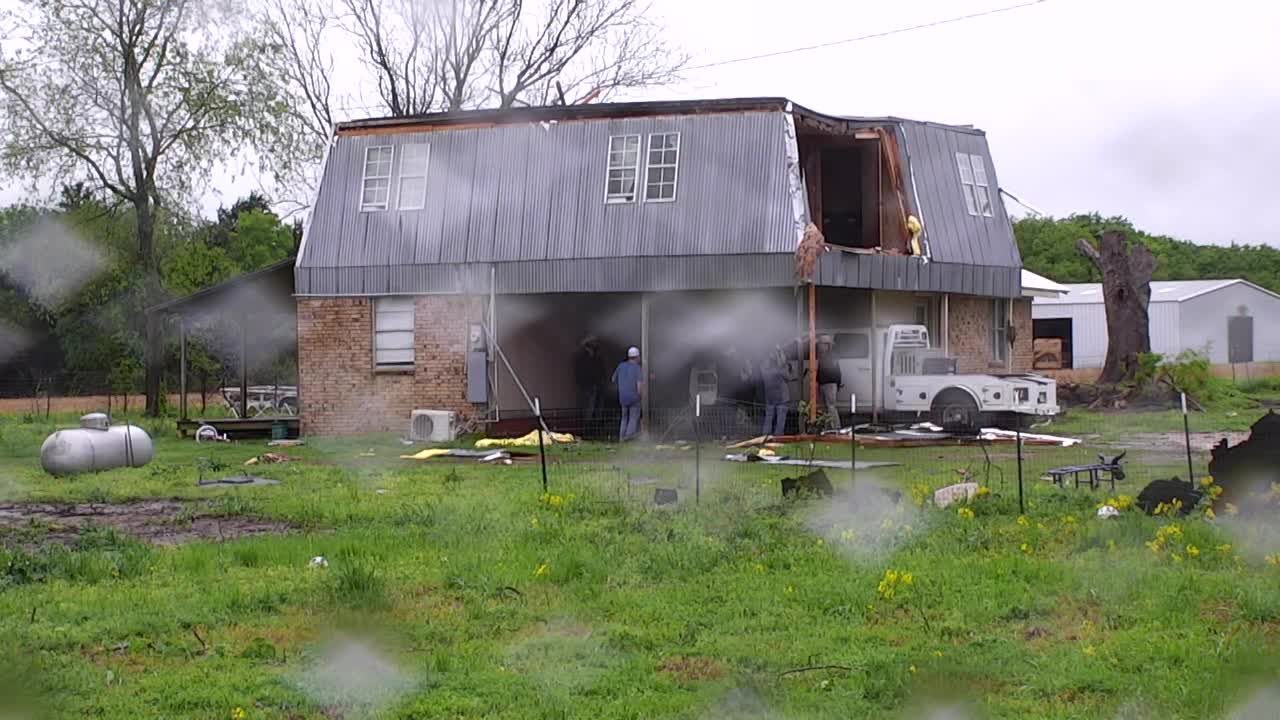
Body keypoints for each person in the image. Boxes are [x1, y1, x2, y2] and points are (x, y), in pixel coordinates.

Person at [572, 336, 606, 427]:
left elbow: (601, 370)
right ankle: (588, 425)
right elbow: (581, 372)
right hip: (589, 385)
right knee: (589, 405)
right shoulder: (583, 358)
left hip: (597, 384)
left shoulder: (597, 358)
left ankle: (595, 424)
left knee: (597, 405)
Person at [612, 346, 643, 441]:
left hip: (622, 397)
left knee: (624, 418)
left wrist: (622, 386)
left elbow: (613, 379)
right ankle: (628, 437)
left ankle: (621, 438)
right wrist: (640, 396)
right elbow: (639, 385)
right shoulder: (637, 368)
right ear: (637, 357)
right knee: (633, 417)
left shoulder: (621, 366)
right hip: (634, 397)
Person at [760, 348, 790, 437]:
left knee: (769, 418)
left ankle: (766, 436)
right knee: (780, 419)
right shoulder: (780, 367)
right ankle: (778, 437)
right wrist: (782, 363)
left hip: (770, 396)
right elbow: (787, 377)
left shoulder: (764, 366)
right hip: (781, 397)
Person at [816, 334, 843, 431]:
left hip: (830, 384)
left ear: (827, 345)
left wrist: (837, 384)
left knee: (831, 407)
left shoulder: (831, 356)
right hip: (824, 384)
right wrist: (818, 381)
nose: (819, 346)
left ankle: (836, 427)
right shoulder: (822, 356)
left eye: (821, 344)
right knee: (825, 407)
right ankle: (827, 428)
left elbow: (836, 371)